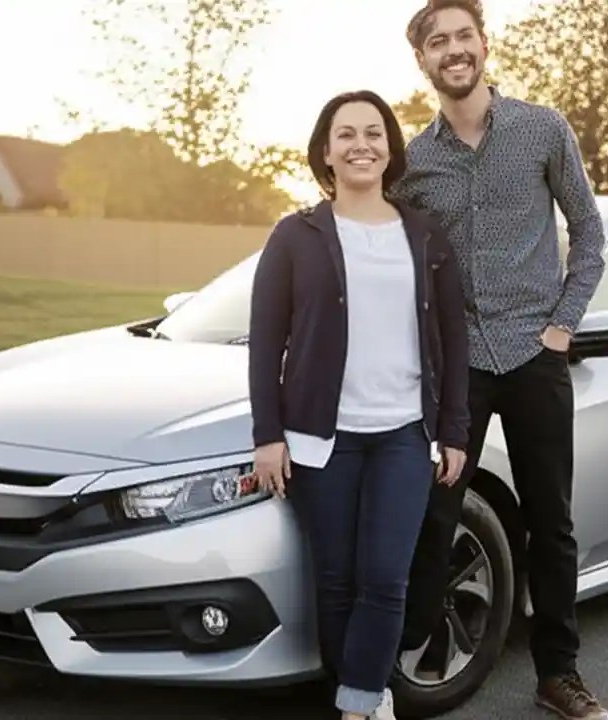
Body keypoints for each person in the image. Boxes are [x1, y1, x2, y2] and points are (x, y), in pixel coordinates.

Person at [392, 2, 608, 719]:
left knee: (551, 523)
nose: (453, 51)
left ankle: (558, 675)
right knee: (434, 509)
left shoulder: (543, 129)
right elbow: (371, 240)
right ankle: (404, 657)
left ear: (484, 46)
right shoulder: (413, 161)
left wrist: (562, 327)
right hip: (457, 364)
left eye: (462, 37)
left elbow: (588, 231)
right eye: (437, 43)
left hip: (532, 354)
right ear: (422, 60)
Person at [248, 89, 471, 720]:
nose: (361, 145)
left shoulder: (424, 235)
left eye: (373, 133)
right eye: (346, 134)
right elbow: (266, 343)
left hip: (403, 434)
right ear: (326, 151)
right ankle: (367, 700)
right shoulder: (295, 236)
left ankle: (356, 707)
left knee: (385, 578)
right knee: (337, 584)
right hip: (322, 440)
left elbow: (452, 338)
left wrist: (454, 430)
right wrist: (269, 435)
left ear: (390, 149)